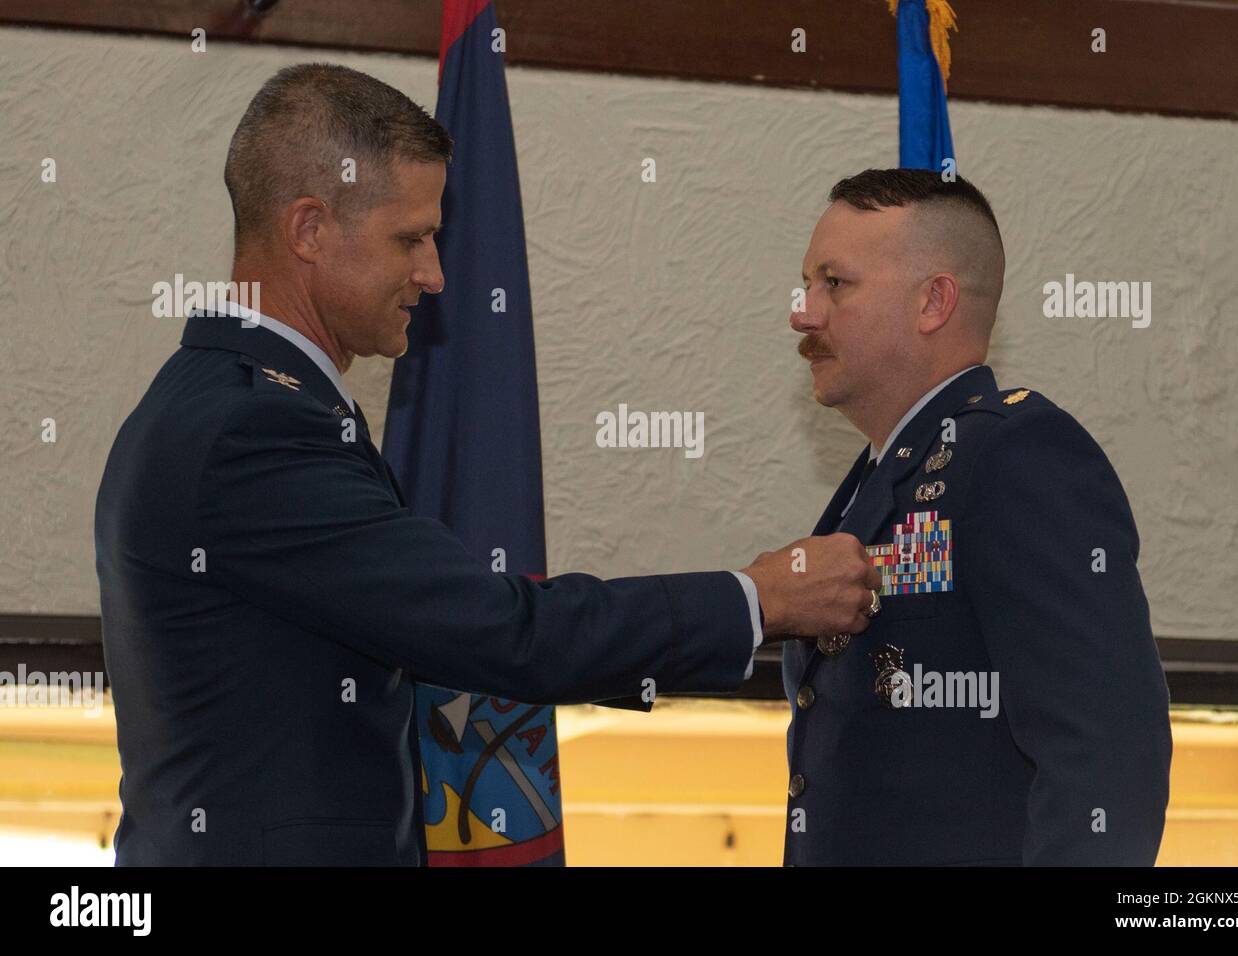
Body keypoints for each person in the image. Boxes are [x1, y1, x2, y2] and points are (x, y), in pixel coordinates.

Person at [94, 64, 881, 866]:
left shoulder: (230, 401)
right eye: (411, 238)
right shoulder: (254, 428)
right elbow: (504, 633)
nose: (435, 275)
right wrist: (759, 599)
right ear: (309, 230)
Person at [783, 168, 1172, 866]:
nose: (804, 313)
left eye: (834, 284)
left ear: (934, 301)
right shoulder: (881, 476)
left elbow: (1107, 751)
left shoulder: (1017, 454)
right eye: (808, 285)